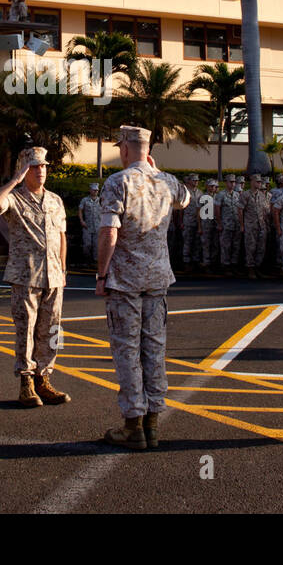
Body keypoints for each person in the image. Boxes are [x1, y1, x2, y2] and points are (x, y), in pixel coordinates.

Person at [95, 126, 188, 449]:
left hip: (126, 282)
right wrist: (156, 169)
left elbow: (109, 232)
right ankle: (153, 424)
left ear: (124, 149)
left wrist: (101, 274)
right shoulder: (167, 182)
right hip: (158, 280)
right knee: (154, 350)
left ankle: (134, 424)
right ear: (147, 150)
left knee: (127, 351)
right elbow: (186, 200)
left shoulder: (118, 182)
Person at [0, 146, 71, 409]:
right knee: (26, 332)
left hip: (54, 277)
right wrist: (14, 181)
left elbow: (62, 236)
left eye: (43, 166)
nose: (41, 170)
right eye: (34, 166)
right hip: (26, 276)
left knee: (53, 331)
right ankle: (26, 383)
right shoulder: (15, 199)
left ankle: (44, 379)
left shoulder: (55, 200)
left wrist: (63, 270)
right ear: (23, 170)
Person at [78, 183, 100, 267]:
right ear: (90, 190)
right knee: (87, 245)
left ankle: (95, 262)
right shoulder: (85, 200)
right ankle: (87, 261)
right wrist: (81, 221)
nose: (95, 192)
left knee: (96, 245)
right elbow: (80, 210)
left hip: (98, 226)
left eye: (96, 190)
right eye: (94, 190)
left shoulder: (101, 200)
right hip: (87, 226)